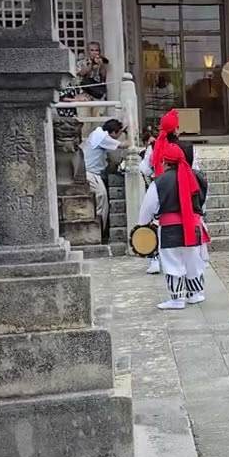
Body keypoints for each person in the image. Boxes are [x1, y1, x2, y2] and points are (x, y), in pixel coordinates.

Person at [137, 141, 210, 310]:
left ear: (164, 161)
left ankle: (177, 299)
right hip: (193, 226)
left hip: (169, 228)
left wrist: (142, 225)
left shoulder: (160, 181)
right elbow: (203, 200)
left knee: (172, 262)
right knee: (193, 260)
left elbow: (148, 207)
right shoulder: (198, 177)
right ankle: (195, 293)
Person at [140, 110, 204, 274]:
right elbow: (196, 168)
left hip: (161, 190)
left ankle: (155, 258)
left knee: (156, 224)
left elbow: (145, 169)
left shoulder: (154, 146)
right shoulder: (188, 147)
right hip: (187, 188)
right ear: (176, 129)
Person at [82, 118, 126, 241]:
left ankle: (100, 231)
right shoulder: (102, 137)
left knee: (102, 199)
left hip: (92, 173)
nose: (119, 137)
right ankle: (98, 231)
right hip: (90, 173)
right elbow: (122, 145)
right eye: (119, 134)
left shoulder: (97, 133)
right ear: (113, 132)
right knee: (101, 197)